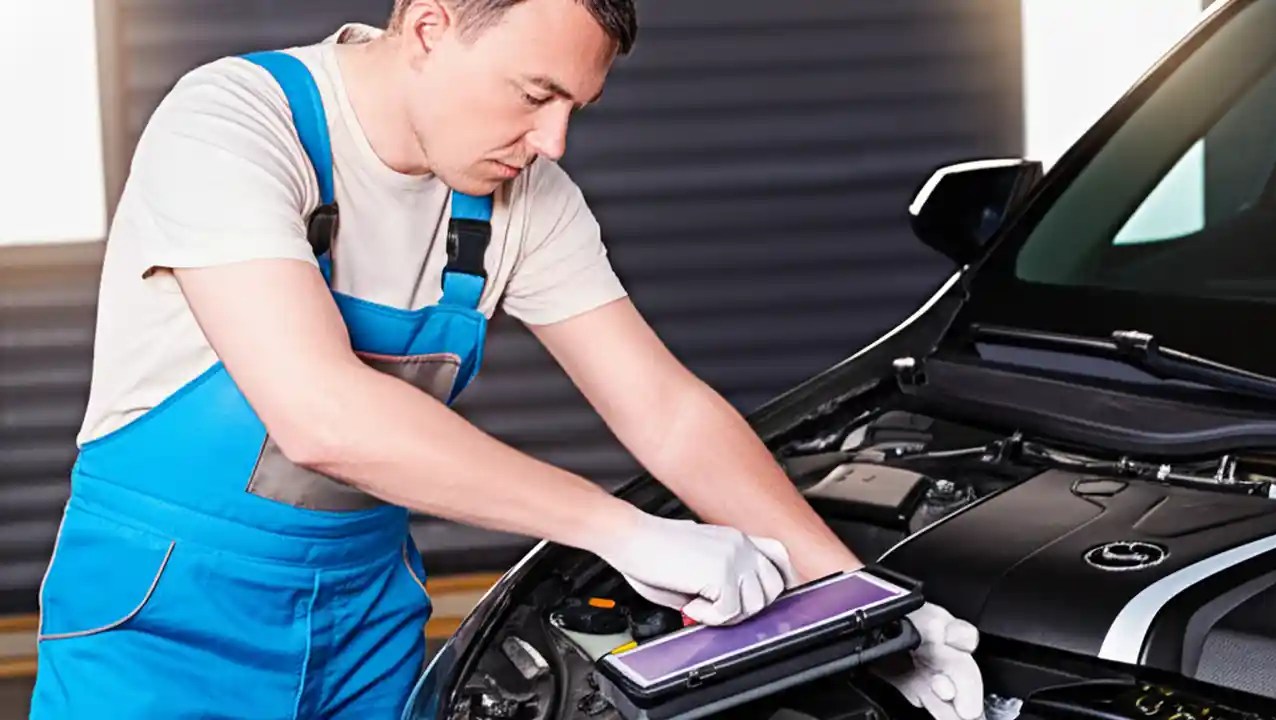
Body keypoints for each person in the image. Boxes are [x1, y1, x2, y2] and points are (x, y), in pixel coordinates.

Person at [30, 1, 982, 718]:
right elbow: (321, 416)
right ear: (433, 25)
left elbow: (665, 409)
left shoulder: (521, 198)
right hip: (164, 623)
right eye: (536, 95)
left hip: (366, 625)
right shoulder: (236, 123)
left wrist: (855, 605)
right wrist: (622, 529)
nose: (554, 140)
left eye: (577, 106)